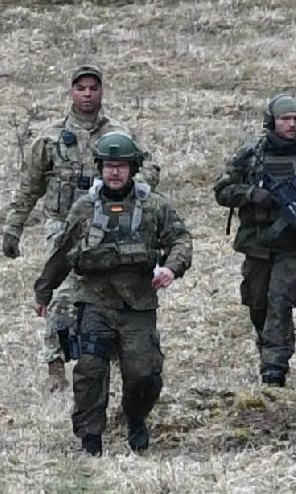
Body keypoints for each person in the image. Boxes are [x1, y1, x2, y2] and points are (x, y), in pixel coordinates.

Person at [32, 130, 191, 454]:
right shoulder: (85, 208)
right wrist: (44, 291)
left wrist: (171, 268)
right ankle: (90, 437)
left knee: (143, 374)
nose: (114, 172)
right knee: (90, 370)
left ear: (132, 168)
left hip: (138, 304)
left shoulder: (153, 206)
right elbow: (62, 253)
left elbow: (181, 240)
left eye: (120, 166)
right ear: (100, 169)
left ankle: (135, 418)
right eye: (108, 166)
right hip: (94, 301)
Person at [211, 96, 296, 387]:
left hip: (291, 248)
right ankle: (267, 345)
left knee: (280, 302)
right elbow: (222, 189)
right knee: (258, 304)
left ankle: (274, 367)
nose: (292, 125)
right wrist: (251, 195)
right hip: (255, 244)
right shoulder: (251, 154)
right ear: (272, 121)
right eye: (285, 119)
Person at [2, 66, 113, 257]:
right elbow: (29, 186)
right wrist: (13, 229)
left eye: (93, 88)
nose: (87, 94)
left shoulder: (118, 136)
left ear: (102, 92)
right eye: (81, 88)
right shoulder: (51, 138)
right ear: (71, 92)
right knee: (62, 283)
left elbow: (146, 172)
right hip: (61, 227)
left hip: (109, 224)